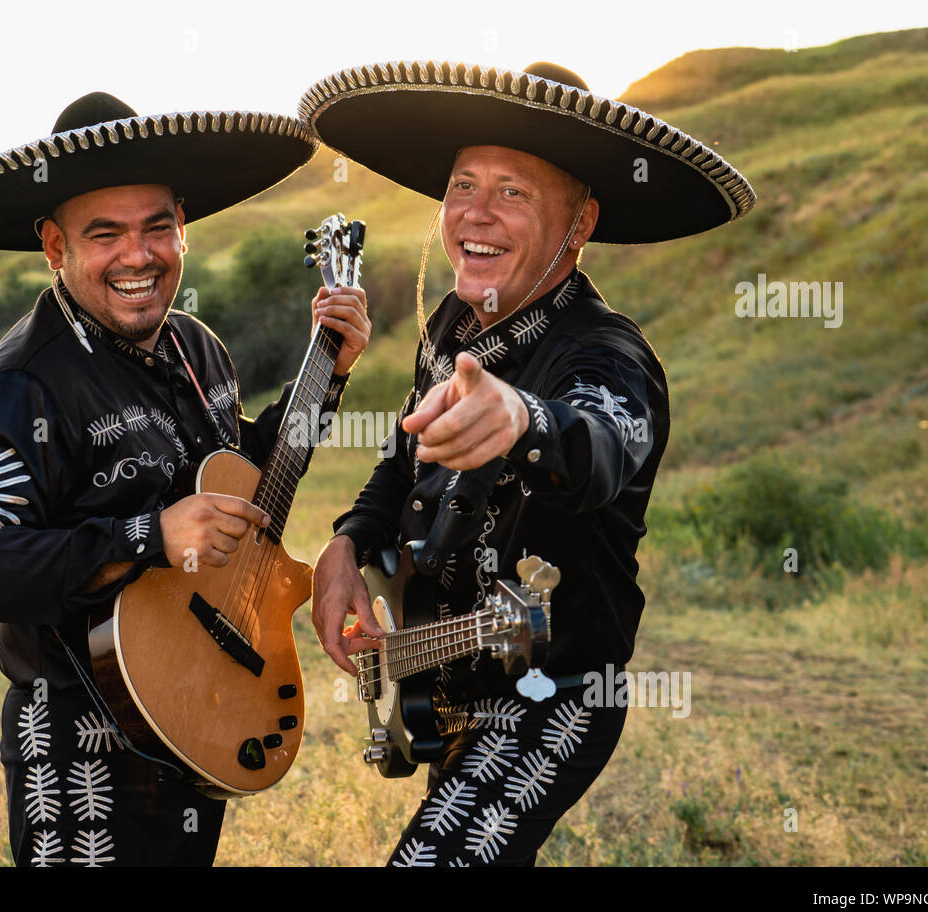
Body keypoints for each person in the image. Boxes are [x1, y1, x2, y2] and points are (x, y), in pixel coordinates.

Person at [0, 91, 372, 865]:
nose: (137, 256)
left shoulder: (199, 348)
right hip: (79, 745)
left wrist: (329, 375)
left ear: (183, 224)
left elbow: (250, 481)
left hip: (196, 714)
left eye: (156, 227)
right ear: (54, 246)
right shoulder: (23, 388)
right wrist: (150, 534)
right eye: (103, 233)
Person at [302, 61, 755, 866]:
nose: (475, 213)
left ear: (578, 226)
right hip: (443, 680)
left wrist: (522, 416)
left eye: (513, 192)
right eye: (463, 186)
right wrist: (347, 539)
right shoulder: (447, 327)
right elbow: (405, 463)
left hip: (555, 696)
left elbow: (599, 446)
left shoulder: (609, 353)